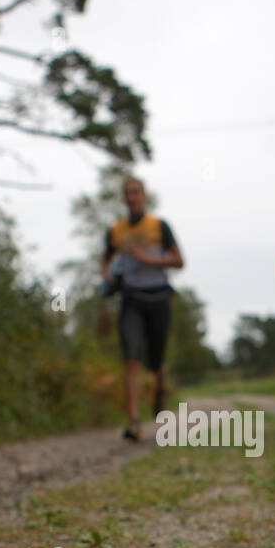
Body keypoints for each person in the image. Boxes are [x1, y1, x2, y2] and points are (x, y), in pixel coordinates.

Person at [101, 177, 184, 441]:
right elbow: (106, 258)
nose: (131, 197)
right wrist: (108, 277)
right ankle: (134, 421)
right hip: (131, 300)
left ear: (144, 196)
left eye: (136, 192)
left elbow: (179, 260)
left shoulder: (159, 226)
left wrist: (146, 259)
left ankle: (160, 390)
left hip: (158, 299)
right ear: (123, 198)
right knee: (132, 358)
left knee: (156, 360)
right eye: (127, 193)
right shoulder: (116, 230)